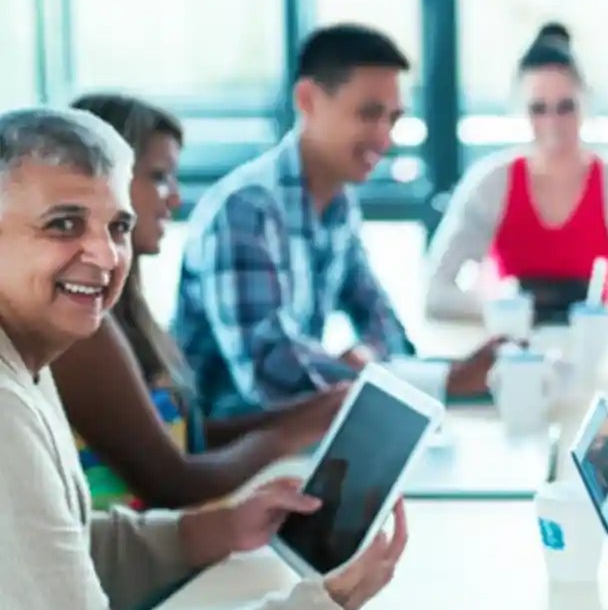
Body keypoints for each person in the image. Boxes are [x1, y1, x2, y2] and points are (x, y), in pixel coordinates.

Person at [0, 107, 407, 610]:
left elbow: (65, 548)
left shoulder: (32, 357)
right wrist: (316, 607)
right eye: (63, 224)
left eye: (117, 226)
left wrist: (220, 528)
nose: (104, 255)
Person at [172, 24, 500, 418]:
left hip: (300, 435)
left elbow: (382, 325)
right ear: (307, 100)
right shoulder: (245, 210)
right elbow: (271, 377)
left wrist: (418, 367)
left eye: (392, 119)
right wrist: (447, 379)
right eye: (368, 114)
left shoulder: (337, 203)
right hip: (232, 449)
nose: (385, 138)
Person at [50, 94, 345, 511]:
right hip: (133, 564)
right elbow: (172, 482)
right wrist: (282, 437)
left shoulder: (127, 310)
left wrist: (303, 414)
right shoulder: (82, 329)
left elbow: (182, 438)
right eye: (158, 177)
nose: (174, 198)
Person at [424, 23, 608, 324]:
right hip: (511, 348)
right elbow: (435, 293)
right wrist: (508, 310)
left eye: (566, 107)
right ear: (519, 110)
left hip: (589, 345)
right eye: (539, 108)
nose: (553, 122)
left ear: (586, 103)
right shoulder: (490, 183)